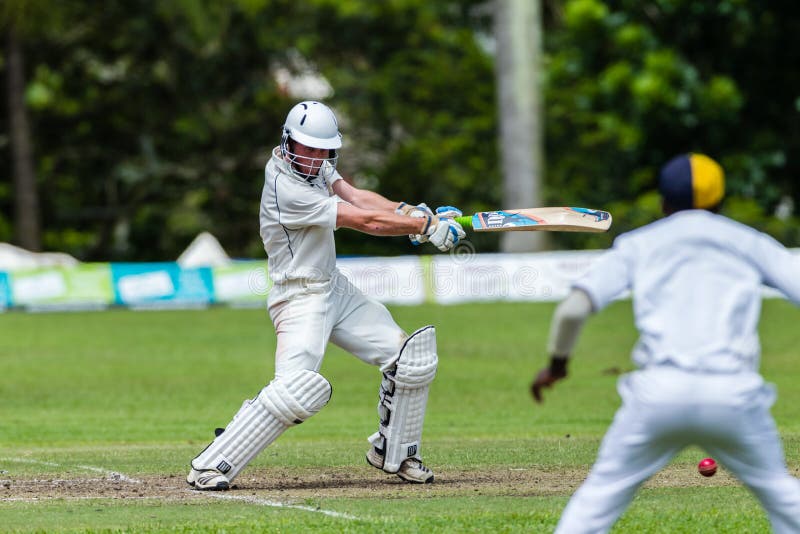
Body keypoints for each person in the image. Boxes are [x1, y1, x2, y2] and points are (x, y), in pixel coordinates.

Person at [186, 100, 466, 490]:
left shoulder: (315, 166)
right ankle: (210, 464)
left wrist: (413, 212)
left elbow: (358, 197)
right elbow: (361, 220)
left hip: (334, 287)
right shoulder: (285, 187)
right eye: (308, 148)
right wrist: (421, 225)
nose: (316, 158)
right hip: (299, 297)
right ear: (287, 142)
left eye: (324, 150)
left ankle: (396, 453)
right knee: (296, 390)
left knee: (411, 359)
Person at [531, 153, 800, 533]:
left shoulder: (639, 244)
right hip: (733, 395)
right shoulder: (748, 242)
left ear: (663, 202)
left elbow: (572, 311)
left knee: (597, 501)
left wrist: (556, 367)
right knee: (784, 497)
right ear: (720, 201)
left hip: (658, 396)